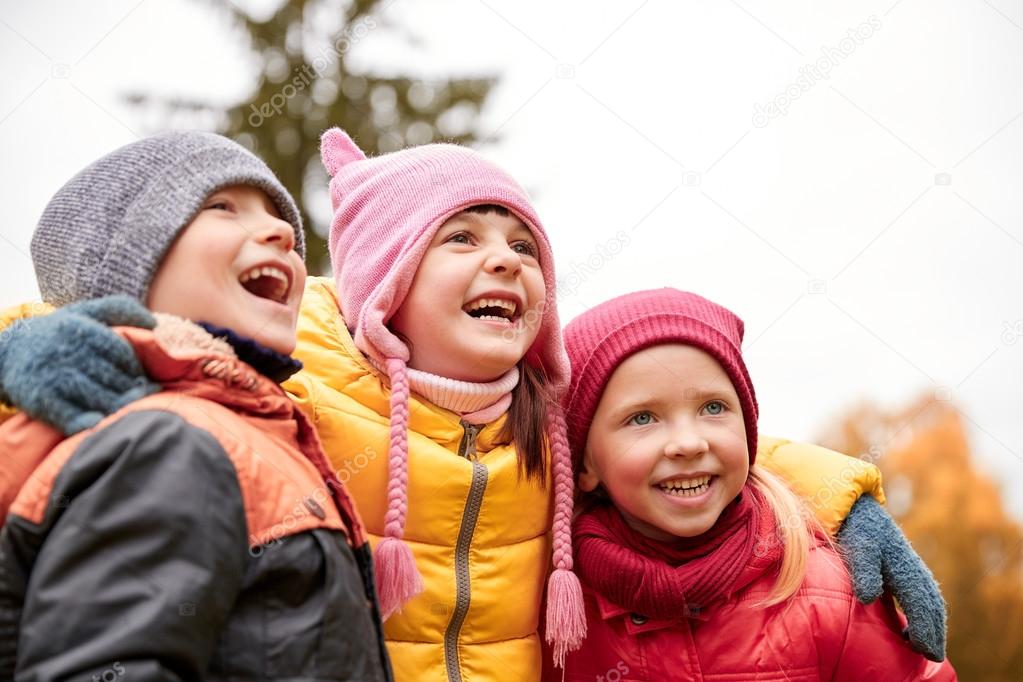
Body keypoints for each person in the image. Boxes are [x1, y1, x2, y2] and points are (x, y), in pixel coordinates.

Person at [0, 129, 946, 681]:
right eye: (461, 237)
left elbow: (680, 422)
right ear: (385, 284)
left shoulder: (551, 423)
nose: (504, 258)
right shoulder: (303, 372)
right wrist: (43, 336)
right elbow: (157, 317)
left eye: (523, 245)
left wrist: (832, 493)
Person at [0, 131, 392, 681]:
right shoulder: (170, 443)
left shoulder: (251, 432)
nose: (282, 231)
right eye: (222, 208)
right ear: (125, 271)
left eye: (278, 215)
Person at [543, 288, 955, 680]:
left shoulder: (826, 588)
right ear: (585, 462)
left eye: (713, 407)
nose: (689, 442)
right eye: (643, 418)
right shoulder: (550, 607)